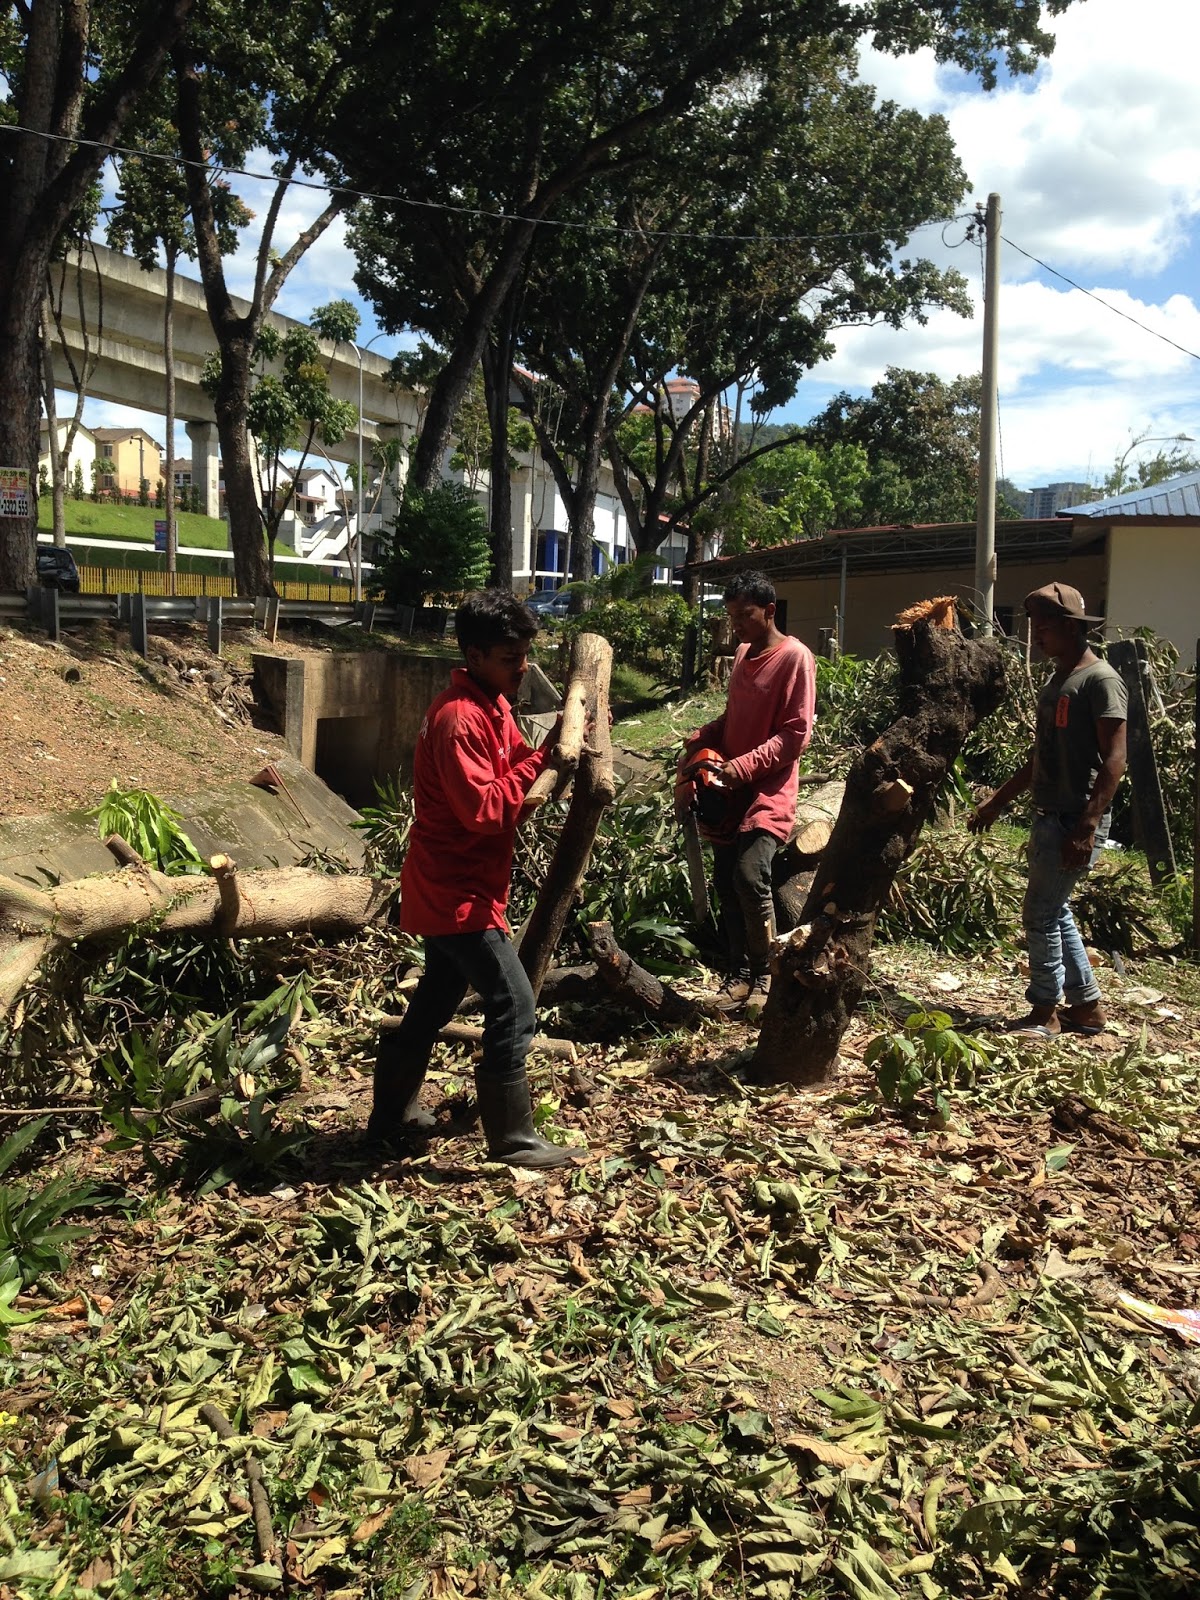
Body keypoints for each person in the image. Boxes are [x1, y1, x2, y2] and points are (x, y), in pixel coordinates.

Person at [367, 589, 577, 1167]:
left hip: (461, 886)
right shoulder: (460, 719)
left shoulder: (493, 706)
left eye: (526, 654)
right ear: (476, 654)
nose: (523, 666)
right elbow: (485, 809)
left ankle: (389, 1117)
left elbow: (513, 766)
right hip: (455, 893)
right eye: (511, 658)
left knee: (434, 1002)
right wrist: (547, 758)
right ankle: (512, 1137)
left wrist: (555, 741)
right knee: (515, 1003)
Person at [967, 581, 1128, 1037]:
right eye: (1033, 623)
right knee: (1055, 911)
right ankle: (1087, 1007)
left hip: (1074, 818)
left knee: (1039, 912)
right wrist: (996, 802)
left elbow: (1115, 759)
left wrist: (1088, 823)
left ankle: (1044, 1012)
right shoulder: (1059, 679)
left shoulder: (1101, 680)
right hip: (1052, 813)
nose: (1036, 634)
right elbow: (1044, 754)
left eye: (1046, 625)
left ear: (1073, 628)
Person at [682, 570, 816, 1012]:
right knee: (725, 880)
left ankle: (766, 973)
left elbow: (795, 736)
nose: (736, 624)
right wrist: (706, 734)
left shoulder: (795, 657)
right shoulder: (742, 654)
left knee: (748, 873)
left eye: (745, 615)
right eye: (731, 615)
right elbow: (735, 717)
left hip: (768, 788)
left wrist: (743, 767)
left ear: (770, 611)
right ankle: (737, 970)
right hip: (730, 787)